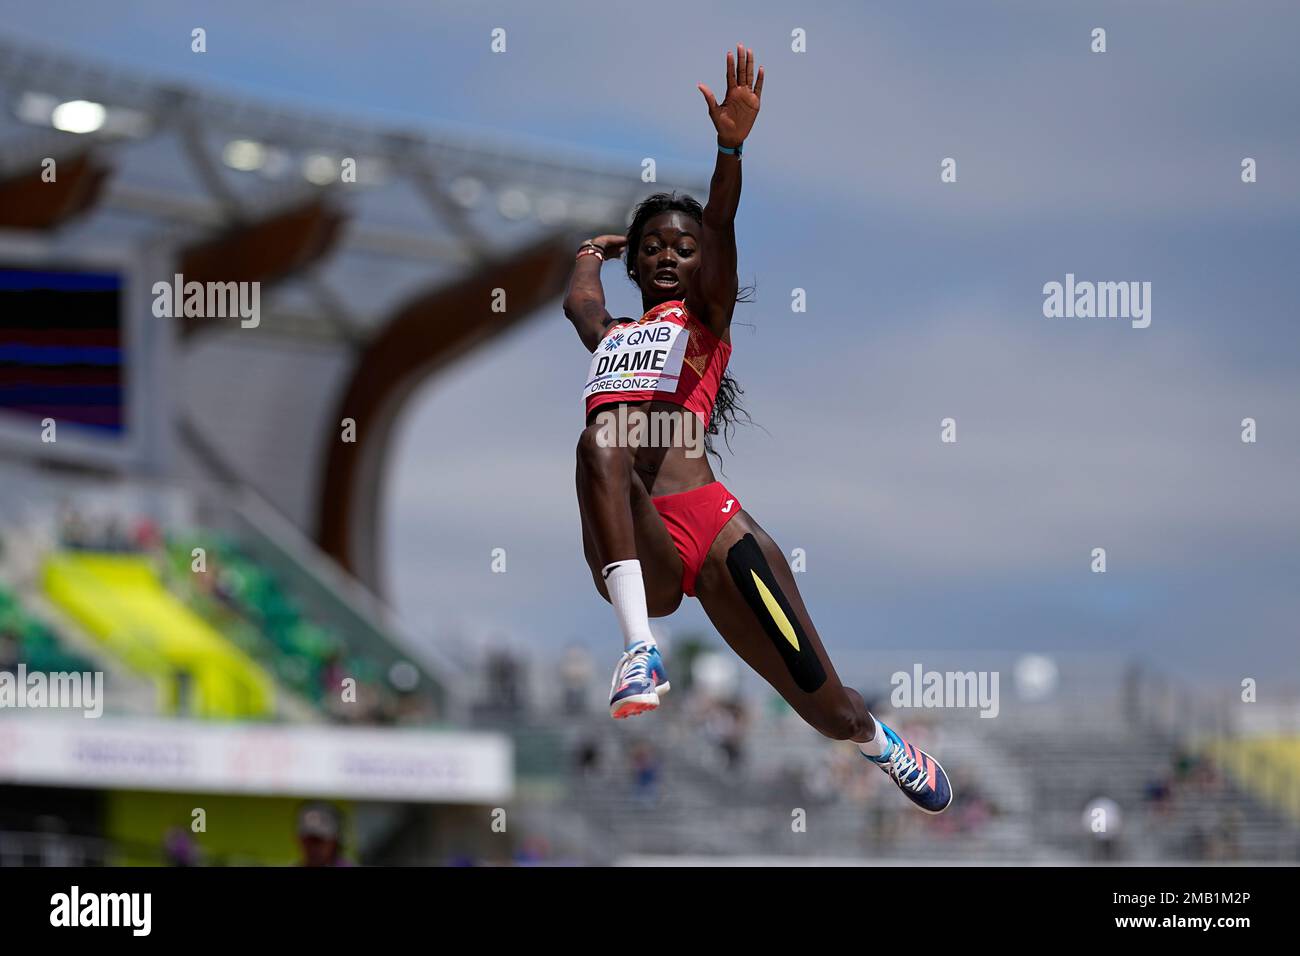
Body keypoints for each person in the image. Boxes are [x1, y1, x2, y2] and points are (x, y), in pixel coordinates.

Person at [564, 45, 951, 813]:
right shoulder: (614, 336)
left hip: (710, 528)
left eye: (683, 247)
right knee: (598, 440)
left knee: (826, 707)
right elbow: (581, 306)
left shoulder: (705, 317)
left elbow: (719, 218)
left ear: (703, 262)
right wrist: (588, 252)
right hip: (636, 534)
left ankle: (881, 739)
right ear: (634, 268)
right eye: (652, 249)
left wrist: (729, 149)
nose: (670, 254)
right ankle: (641, 650)